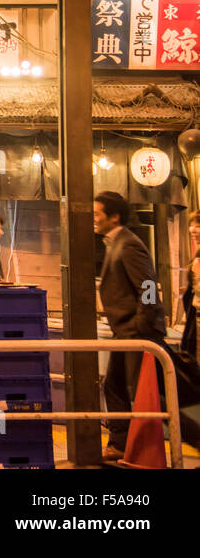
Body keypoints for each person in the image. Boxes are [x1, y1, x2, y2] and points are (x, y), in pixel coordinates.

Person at [94, 190, 167, 461]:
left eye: (98, 214)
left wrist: (141, 324)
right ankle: (121, 443)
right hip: (124, 331)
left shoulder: (129, 244)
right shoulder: (115, 243)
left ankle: (130, 445)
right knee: (114, 385)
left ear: (114, 217)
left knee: (135, 389)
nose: (94, 218)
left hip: (135, 332)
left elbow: (147, 285)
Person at [182, 212, 199, 363]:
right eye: (191, 225)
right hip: (195, 315)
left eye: (198, 226)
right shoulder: (197, 255)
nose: (193, 229)